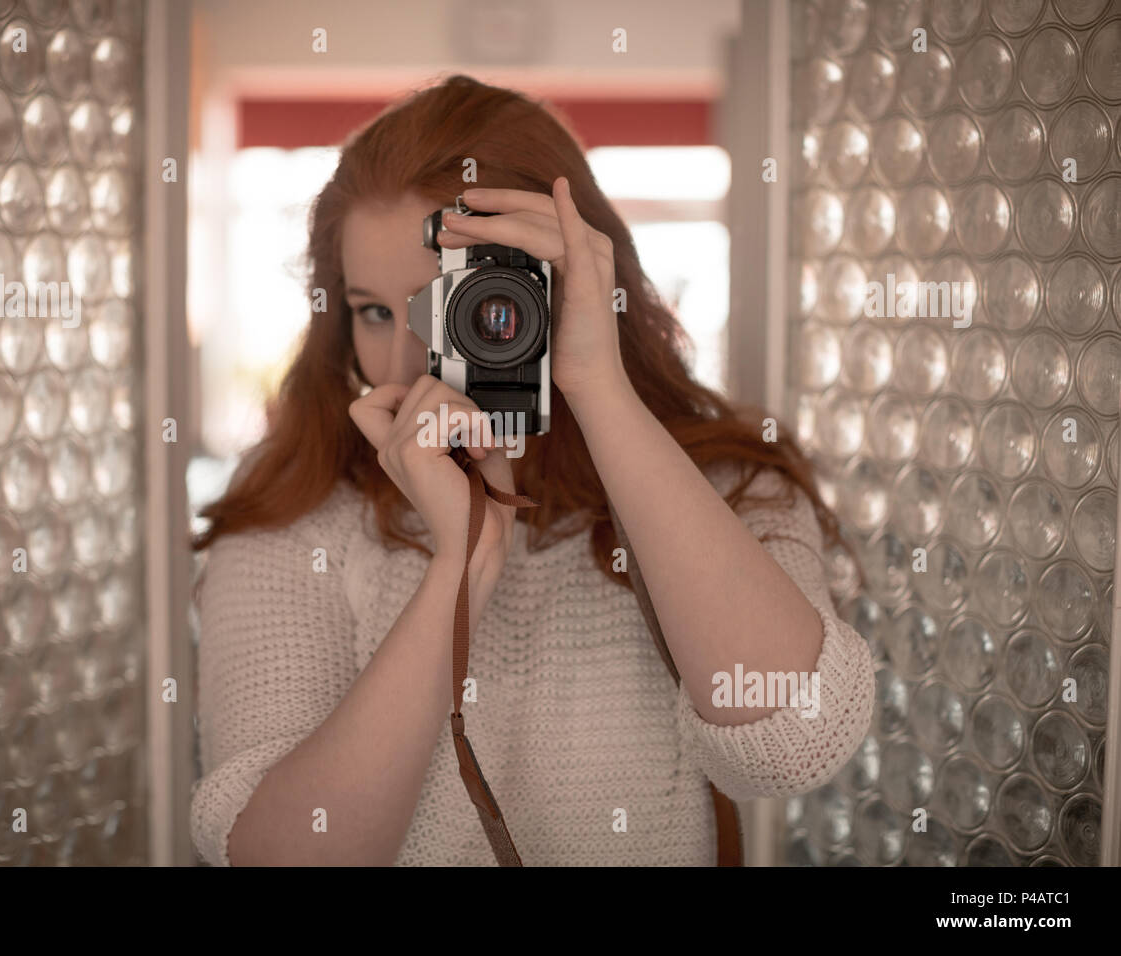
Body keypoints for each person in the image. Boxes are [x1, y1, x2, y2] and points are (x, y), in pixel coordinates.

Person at [189, 74, 874, 866]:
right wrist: (463, 566)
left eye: (446, 305)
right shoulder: (295, 510)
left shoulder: (720, 483)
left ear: (555, 292)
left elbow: (795, 740)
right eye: (373, 311)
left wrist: (601, 389)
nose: (410, 361)